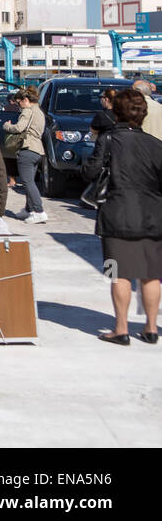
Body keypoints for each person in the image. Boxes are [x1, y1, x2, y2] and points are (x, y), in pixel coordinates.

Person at [79, 88, 162, 344]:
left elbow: (90, 172)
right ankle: (151, 328)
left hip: (116, 214)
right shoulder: (155, 143)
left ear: (116, 112)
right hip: (152, 214)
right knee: (151, 274)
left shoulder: (108, 139)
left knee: (119, 273)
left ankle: (121, 328)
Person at [4, 87, 47, 222]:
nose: (18, 106)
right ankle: (29, 209)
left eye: (18, 103)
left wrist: (7, 126)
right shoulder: (39, 112)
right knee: (30, 182)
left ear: (26, 100)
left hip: (27, 149)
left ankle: (39, 211)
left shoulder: (27, 111)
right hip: (38, 150)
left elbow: (19, 128)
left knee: (27, 182)